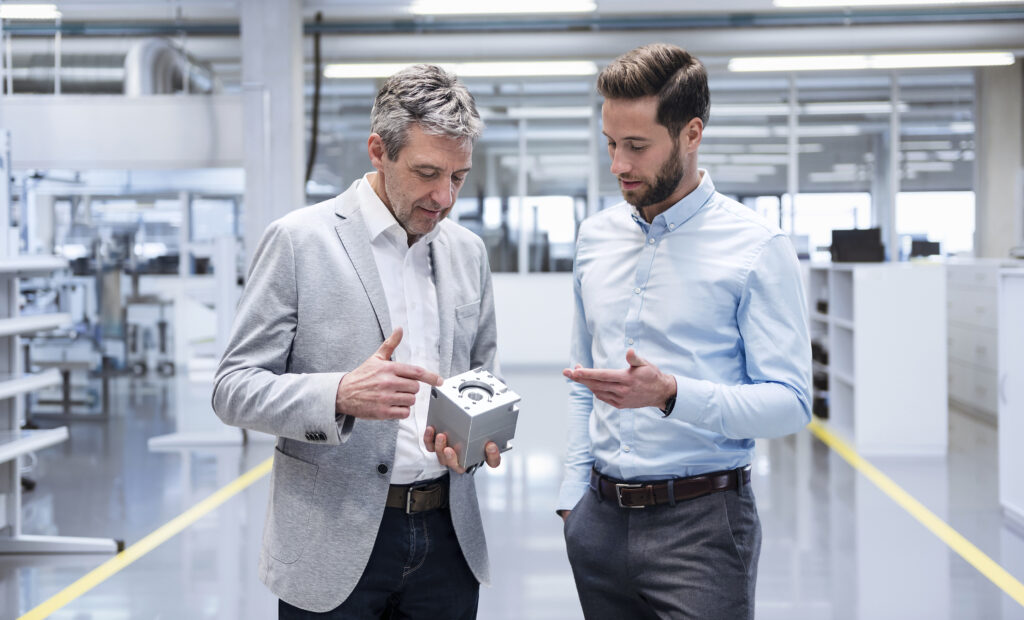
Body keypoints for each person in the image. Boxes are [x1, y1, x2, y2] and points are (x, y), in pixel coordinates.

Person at [213, 63, 502, 619]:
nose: (444, 198)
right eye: (426, 173)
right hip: (333, 543)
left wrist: (475, 436)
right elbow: (232, 388)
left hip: (447, 540)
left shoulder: (467, 251)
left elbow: (481, 374)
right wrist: (339, 394)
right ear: (379, 150)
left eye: (458, 177)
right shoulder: (300, 242)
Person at [557, 43, 812, 620]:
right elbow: (582, 380)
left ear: (691, 134)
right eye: (611, 145)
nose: (619, 164)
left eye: (637, 146)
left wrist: (672, 394)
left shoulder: (756, 248)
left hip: (702, 528)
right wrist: (571, 498)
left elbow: (791, 404)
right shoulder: (594, 238)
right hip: (597, 523)